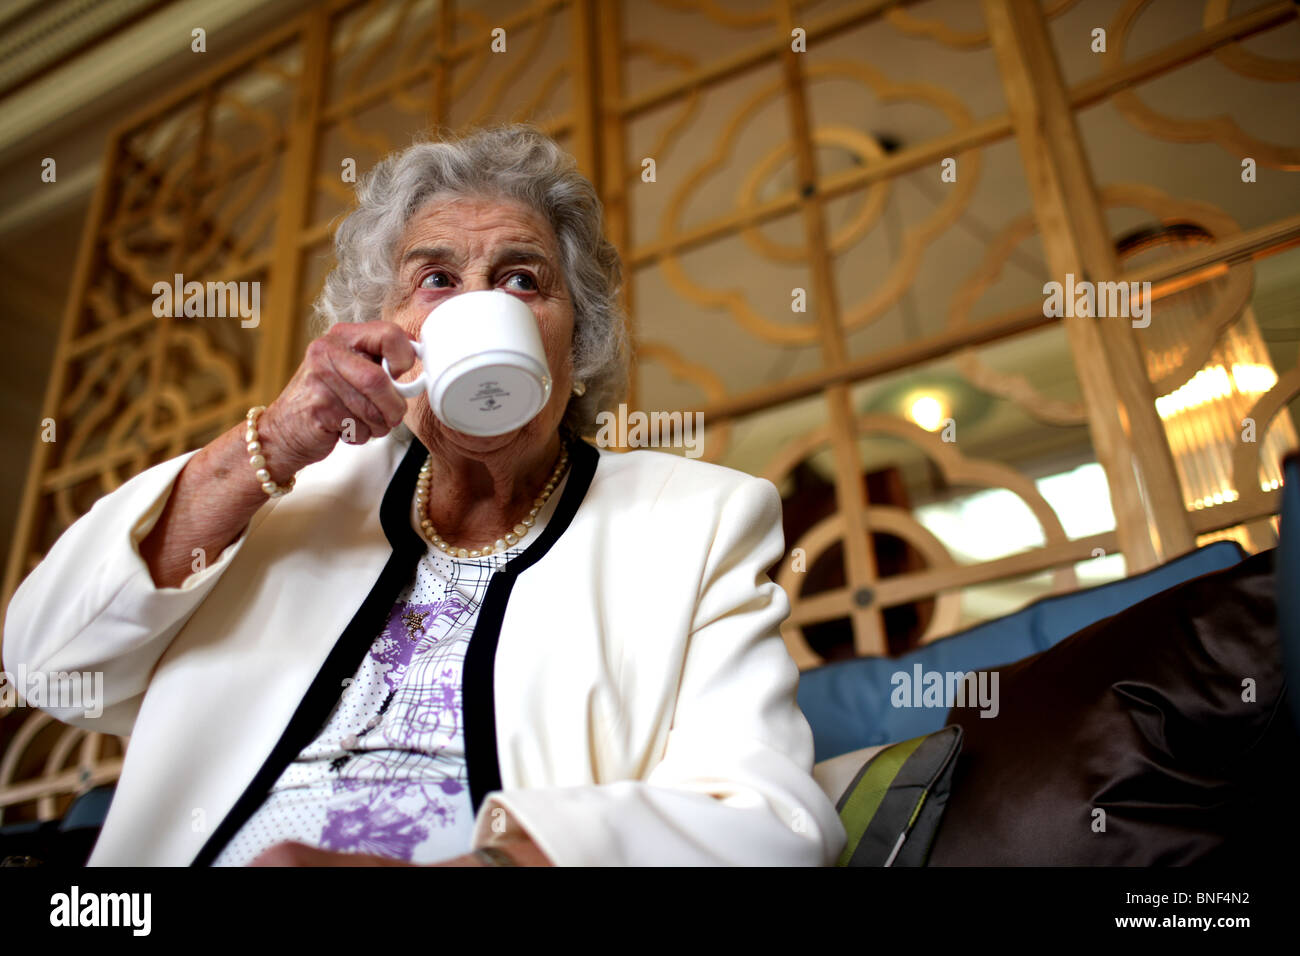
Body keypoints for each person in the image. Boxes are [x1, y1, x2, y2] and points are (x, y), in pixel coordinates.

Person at [3, 124, 846, 866]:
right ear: (390, 327)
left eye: (521, 280)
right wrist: (271, 443)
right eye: (436, 280)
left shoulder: (694, 519)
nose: (480, 301)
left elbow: (768, 823)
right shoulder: (283, 492)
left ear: (577, 340)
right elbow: (49, 664)